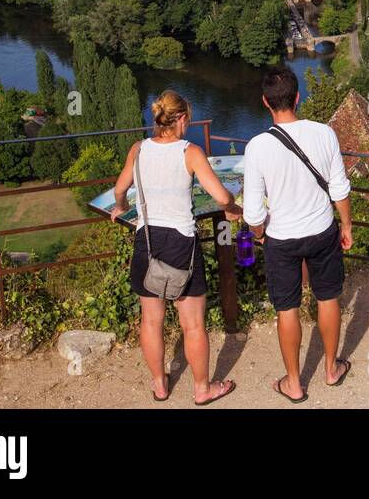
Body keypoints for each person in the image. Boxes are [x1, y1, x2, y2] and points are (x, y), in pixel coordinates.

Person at [111, 89, 240, 406]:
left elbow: (119, 189)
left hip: (148, 240)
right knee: (193, 323)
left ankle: (159, 386)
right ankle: (202, 389)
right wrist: (233, 205)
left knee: (151, 320)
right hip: (182, 243)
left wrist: (121, 206)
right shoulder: (190, 152)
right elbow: (221, 197)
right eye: (189, 120)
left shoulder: (138, 149)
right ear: (181, 118)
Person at [239, 68, 353, 402]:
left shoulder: (257, 147)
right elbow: (339, 188)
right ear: (298, 97)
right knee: (328, 297)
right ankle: (331, 369)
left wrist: (260, 234)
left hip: (282, 238)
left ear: (265, 102)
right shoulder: (324, 133)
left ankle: (294, 382)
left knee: (286, 308)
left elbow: (254, 213)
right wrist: (345, 225)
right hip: (321, 231)